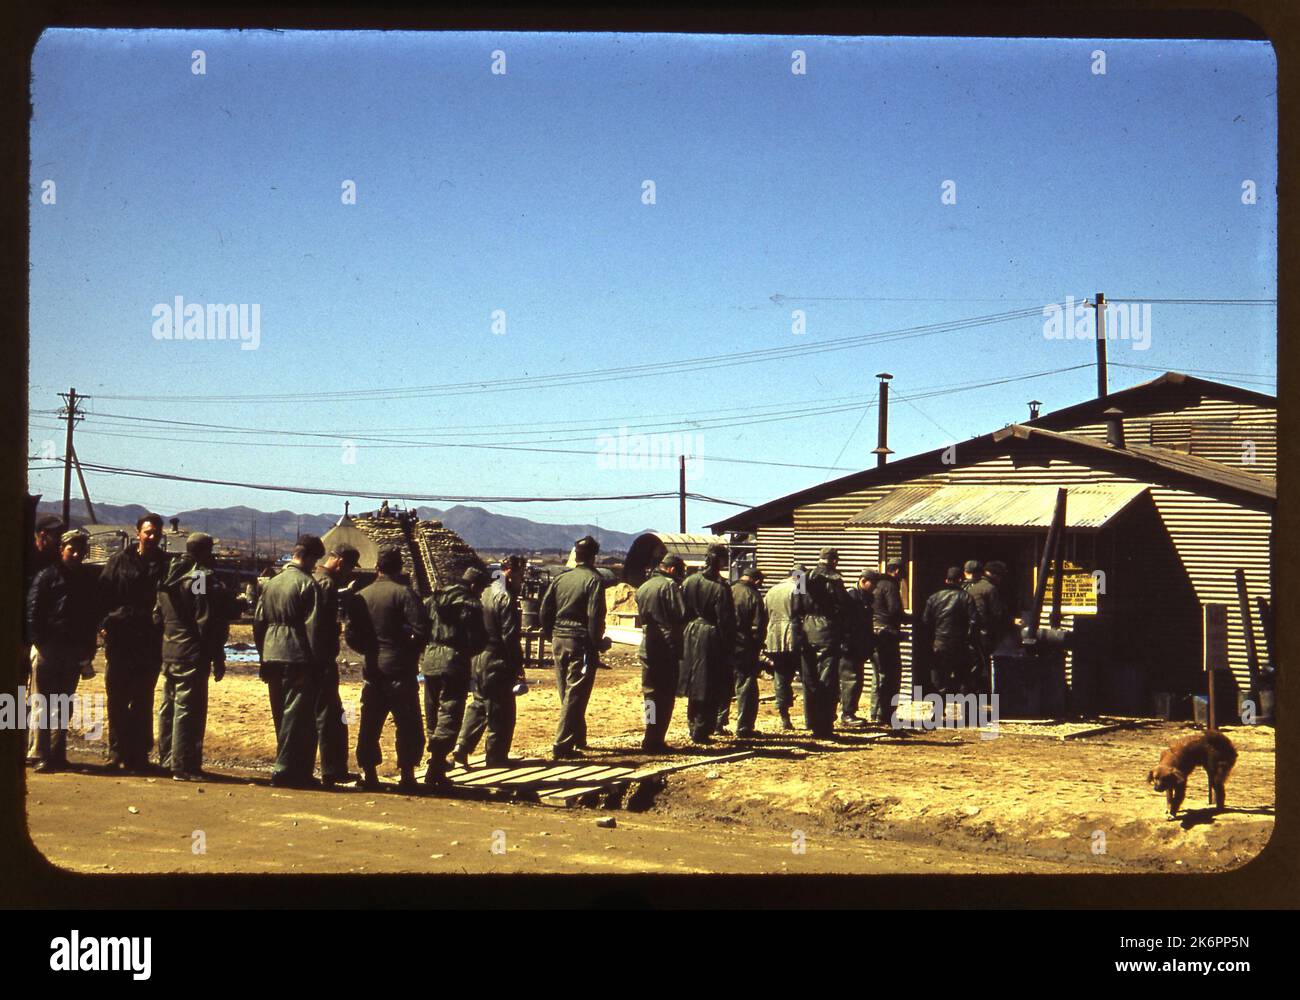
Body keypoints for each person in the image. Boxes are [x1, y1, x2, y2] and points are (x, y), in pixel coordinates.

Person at [154, 532, 240, 781]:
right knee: (187, 709)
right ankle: (183, 766)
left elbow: (157, 616)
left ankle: (168, 759)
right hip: (192, 652)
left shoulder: (167, 574)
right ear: (204, 551)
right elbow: (205, 620)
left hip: (170, 649)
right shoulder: (199, 577)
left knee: (168, 707)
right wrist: (216, 653)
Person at [347, 547, 429, 793]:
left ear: (377, 567)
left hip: (373, 670)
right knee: (408, 724)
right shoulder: (405, 594)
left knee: (370, 724)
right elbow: (422, 630)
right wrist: (408, 651)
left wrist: (369, 651)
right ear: (399, 568)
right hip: (400, 670)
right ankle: (407, 775)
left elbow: (351, 635)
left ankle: (370, 773)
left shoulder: (362, 595)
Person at [97, 512, 170, 773]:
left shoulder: (166, 565)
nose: (151, 537)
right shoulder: (119, 562)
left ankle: (139, 754)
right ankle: (116, 752)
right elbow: (102, 595)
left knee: (142, 699)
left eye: (156, 533)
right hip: (120, 639)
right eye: (147, 532)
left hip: (149, 641)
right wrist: (103, 625)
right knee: (116, 697)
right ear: (138, 533)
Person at [254, 534, 328, 788]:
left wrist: (262, 655)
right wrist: (318, 663)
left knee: (280, 715)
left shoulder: (272, 584)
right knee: (297, 718)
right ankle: (287, 770)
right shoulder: (307, 584)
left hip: (272, 653)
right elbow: (314, 629)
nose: (315, 565)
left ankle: (291, 768)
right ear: (306, 556)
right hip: (296, 656)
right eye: (315, 560)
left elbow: (259, 623)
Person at [26, 529, 99, 772]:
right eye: (72, 549)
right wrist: (40, 641)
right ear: (61, 550)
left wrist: (88, 649)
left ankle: (57, 753)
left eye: (81, 550)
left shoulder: (86, 581)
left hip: (73, 649)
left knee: (63, 703)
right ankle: (39, 753)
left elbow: (90, 617)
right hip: (48, 647)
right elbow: (33, 610)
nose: (77, 554)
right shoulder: (47, 576)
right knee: (42, 702)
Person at [539, 535, 609, 758]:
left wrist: (552, 633)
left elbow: (544, 610)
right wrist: (597, 643)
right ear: (594, 556)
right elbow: (595, 616)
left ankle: (577, 735)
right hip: (580, 641)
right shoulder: (594, 580)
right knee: (576, 693)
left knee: (565, 691)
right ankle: (562, 744)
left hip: (559, 639)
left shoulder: (561, 578)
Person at [454, 556, 527, 767]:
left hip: (478, 656)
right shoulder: (505, 598)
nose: (521, 582)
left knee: (478, 703)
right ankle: (496, 757)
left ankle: (462, 745)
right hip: (497, 658)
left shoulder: (485, 592)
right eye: (520, 576)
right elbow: (510, 637)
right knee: (501, 709)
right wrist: (517, 666)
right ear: (510, 572)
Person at [421, 565, 490, 784]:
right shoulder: (471, 604)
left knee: (432, 709)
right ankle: (437, 763)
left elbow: (421, 627)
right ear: (473, 586)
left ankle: (433, 753)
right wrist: (466, 652)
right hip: (455, 661)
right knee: (450, 710)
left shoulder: (433, 599)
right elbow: (478, 640)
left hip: (430, 659)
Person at [679, 544, 736, 744]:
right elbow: (726, 620)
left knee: (694, 682)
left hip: (690, 632)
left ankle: (692, 724)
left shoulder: (689, 581)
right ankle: (702, 730)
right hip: (711, 636)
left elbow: (682, 611)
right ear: (720, 561)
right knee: (709, 684)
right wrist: (730, 646)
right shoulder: (721, 587)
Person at [314, 543, 361, 788]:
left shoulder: (316, 579)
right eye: (350, 567)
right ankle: (333, 770)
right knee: (334, 718)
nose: (349, 572)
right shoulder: (327, 583)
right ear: (341, 562)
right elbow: (320, 625)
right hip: (321, 661)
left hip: (311, 660)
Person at [23, 513, 65, 762]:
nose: (58, 539)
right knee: (15, 694)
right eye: (55, 534)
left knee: (39, 696)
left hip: (42, 638)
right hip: (24, 635)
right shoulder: (27, 558)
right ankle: (16, 744)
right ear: (42, 534)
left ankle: (36, 747)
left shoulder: (54, 562)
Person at [635, 554, 688, 751]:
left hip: (647, 645)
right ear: (673, 570)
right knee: (665, 696)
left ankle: (649, 733)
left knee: (650, 694)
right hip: (666, 647)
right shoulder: (669, 586)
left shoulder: (644, 586)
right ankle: (656, 739)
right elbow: (680, 614)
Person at [802, 547, 850, 739]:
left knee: (809, 680)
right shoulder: (836, 579)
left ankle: (810, 722)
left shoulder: (801, 576)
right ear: (835, 561)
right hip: (827, 631)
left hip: (805, 630)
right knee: (827, 680)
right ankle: (824, 727)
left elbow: (796, 603)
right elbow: (844, 605)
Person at [921, 566, 977, 698]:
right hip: (960, 645)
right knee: (964, 679)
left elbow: (925, 622)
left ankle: (938, 714)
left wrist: (931, 642)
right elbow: (974, 621)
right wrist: (970, 640)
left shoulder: (933, 598)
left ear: (946, 580)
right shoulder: (967, 597)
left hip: (940, 644)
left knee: (939, 680)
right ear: (960, 580)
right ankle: (967, 714)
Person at [763, 565, 807, 731]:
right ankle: (811, 717)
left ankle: (784, 715)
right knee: (806, 674)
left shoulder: (773, 590)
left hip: (774, 636)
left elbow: (764, 613)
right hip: (794, 636)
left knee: (780, 677)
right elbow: (801, 612)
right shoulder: (798, 588)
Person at [870, 558, 911, 726]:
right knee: (891, 675)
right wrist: (915, 619)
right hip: (887, 635)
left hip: (873, 634)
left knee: (878, 675)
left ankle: (876, 712)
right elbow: (895, 611)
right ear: (896, 571)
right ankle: (886, 715)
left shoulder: (876, 584)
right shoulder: (890, 586)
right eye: (902, 574)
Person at [730, 567, 768, 739]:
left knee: (724, 686)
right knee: (746, 687)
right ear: (757, 581)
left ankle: (718, 723)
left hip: (726, 645)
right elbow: (758, 626)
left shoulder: (728, 590)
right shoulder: (754, 596)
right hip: (745, 647)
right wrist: (757, 646)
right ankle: (744, 727)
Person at [966, 560, 1014, 693]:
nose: (1000, 579)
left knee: (974, 665)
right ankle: (983, 695)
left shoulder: (972, 587)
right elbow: (998, 613)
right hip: (985, 634)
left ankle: (970, 696)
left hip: (970, 633)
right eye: (999, 575)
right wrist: (1012, 623)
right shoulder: (990, 589)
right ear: (993, 574)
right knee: (985, 667)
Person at [840, 571, 879, 727]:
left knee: (856, 680)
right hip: (849, 646)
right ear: (863, 581)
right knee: (851, 680)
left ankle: (849, 712)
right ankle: (847, 714)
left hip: (859, 645)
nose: (875, 587)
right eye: (873, 583)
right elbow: (846, 621)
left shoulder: (864, 597)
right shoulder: (851, 596)